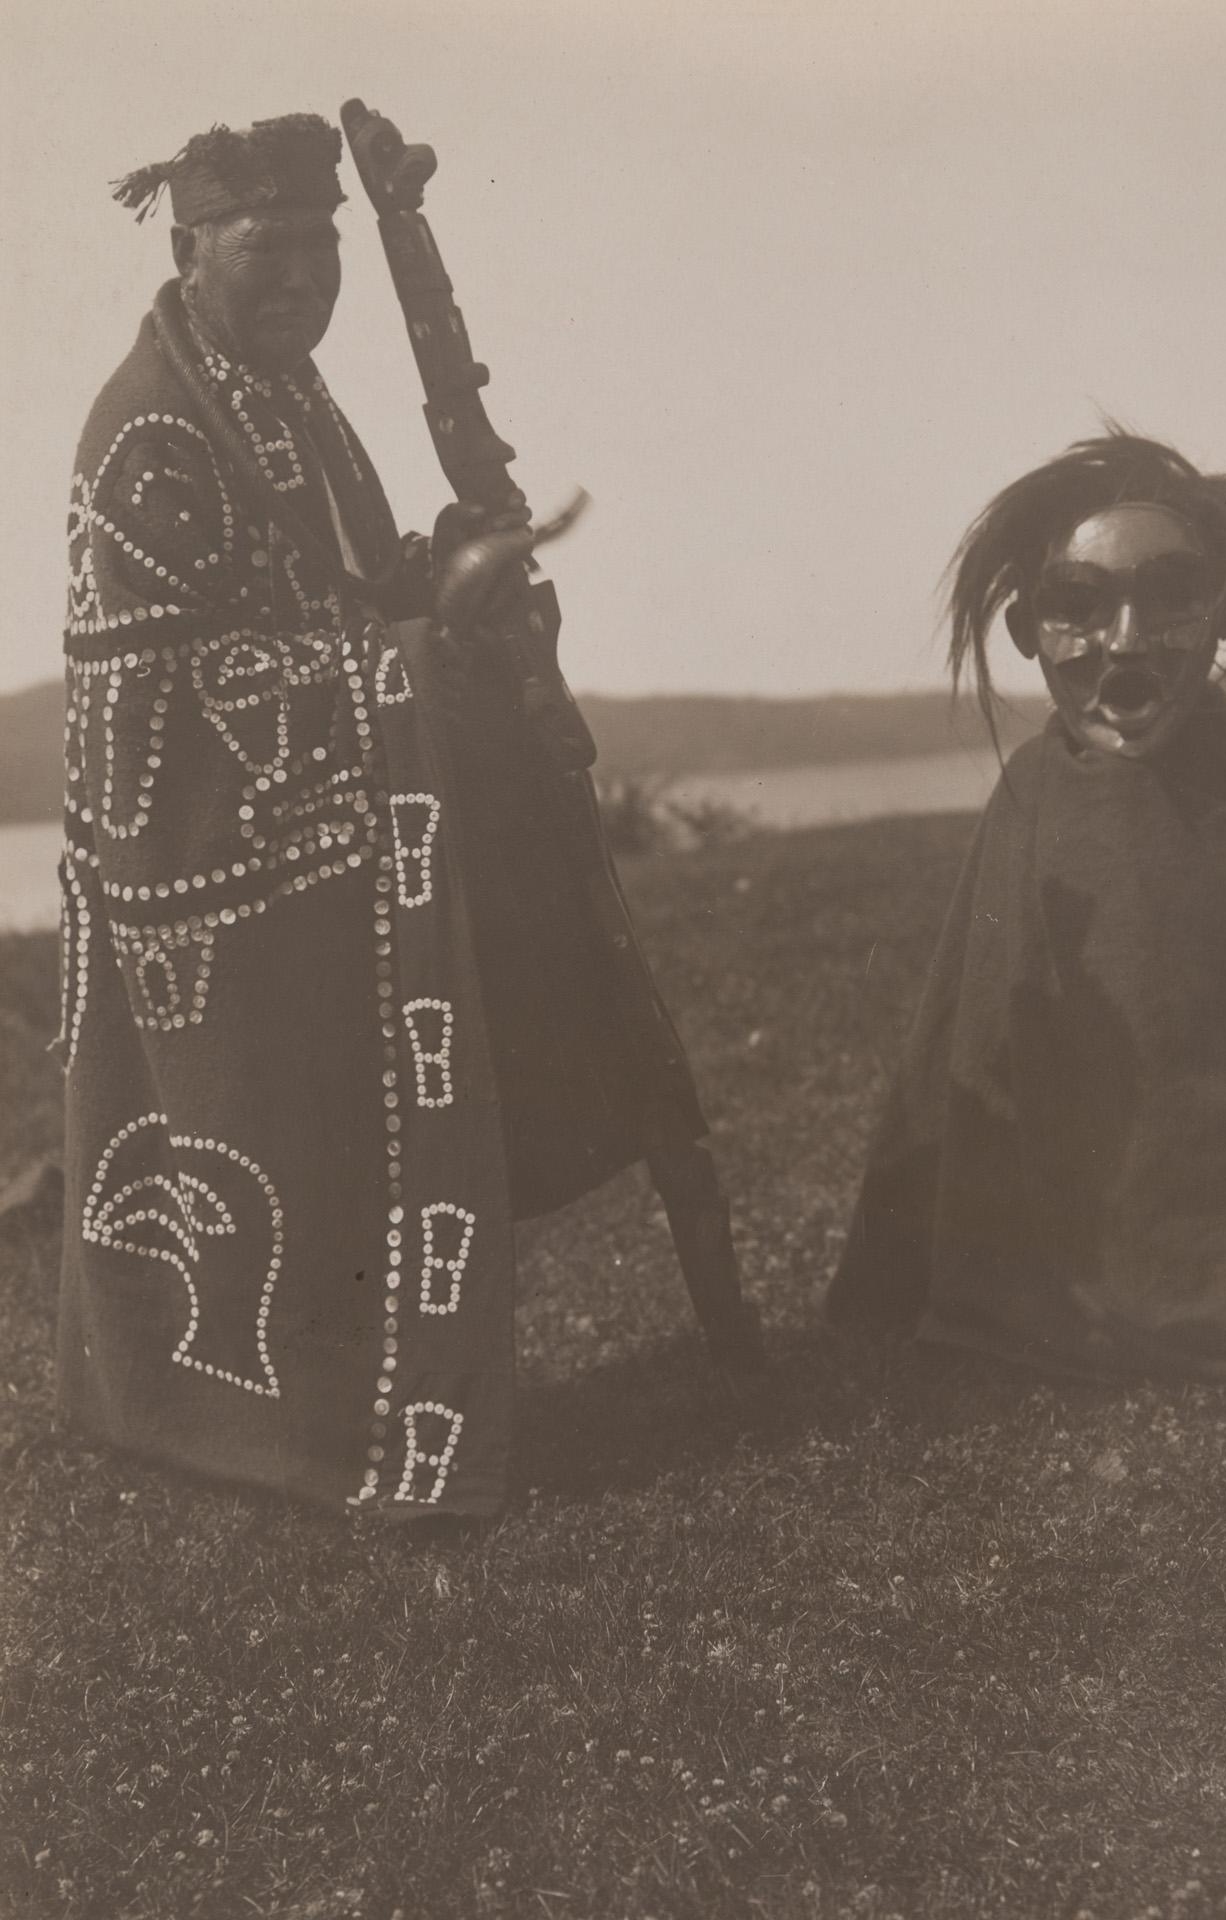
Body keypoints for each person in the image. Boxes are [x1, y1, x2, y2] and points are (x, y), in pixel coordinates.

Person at [57, 113, 759, 1522]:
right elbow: (166, 691)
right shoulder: (149, 429)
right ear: (191, 249)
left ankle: (340, 1404)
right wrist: (418, 637)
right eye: (272, 249)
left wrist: (435, 578)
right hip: (205, 872)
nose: (306, 278)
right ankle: (303, 1431)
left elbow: (338, 598)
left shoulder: (287, 399)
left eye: (325, 248)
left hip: (313, 818)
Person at [827, 430, 1226, 1381]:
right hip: (1078, 1240)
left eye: (1171, 597)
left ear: (1220, 615)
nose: (1126, 644)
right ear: (1024, 628)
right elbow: (972, 1056)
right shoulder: (1035, 794)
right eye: (1077, 606)